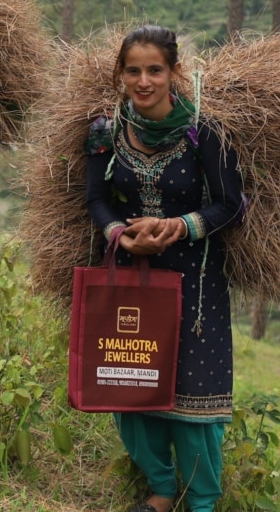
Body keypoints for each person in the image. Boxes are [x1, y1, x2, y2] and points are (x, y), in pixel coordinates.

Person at [84, 26, 245, 512]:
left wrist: (179, 226)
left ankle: (201, 502)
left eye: (155, 69)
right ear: (120, 74)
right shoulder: (103, 129)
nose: (144, 80)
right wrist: (119, 232)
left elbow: (231, 205)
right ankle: (159, 490)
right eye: (132, 70)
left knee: (194, 394)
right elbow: (96, 198)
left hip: (196, 279)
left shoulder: (205, 131)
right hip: (134, 273)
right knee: (131, 380)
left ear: (175, 71)